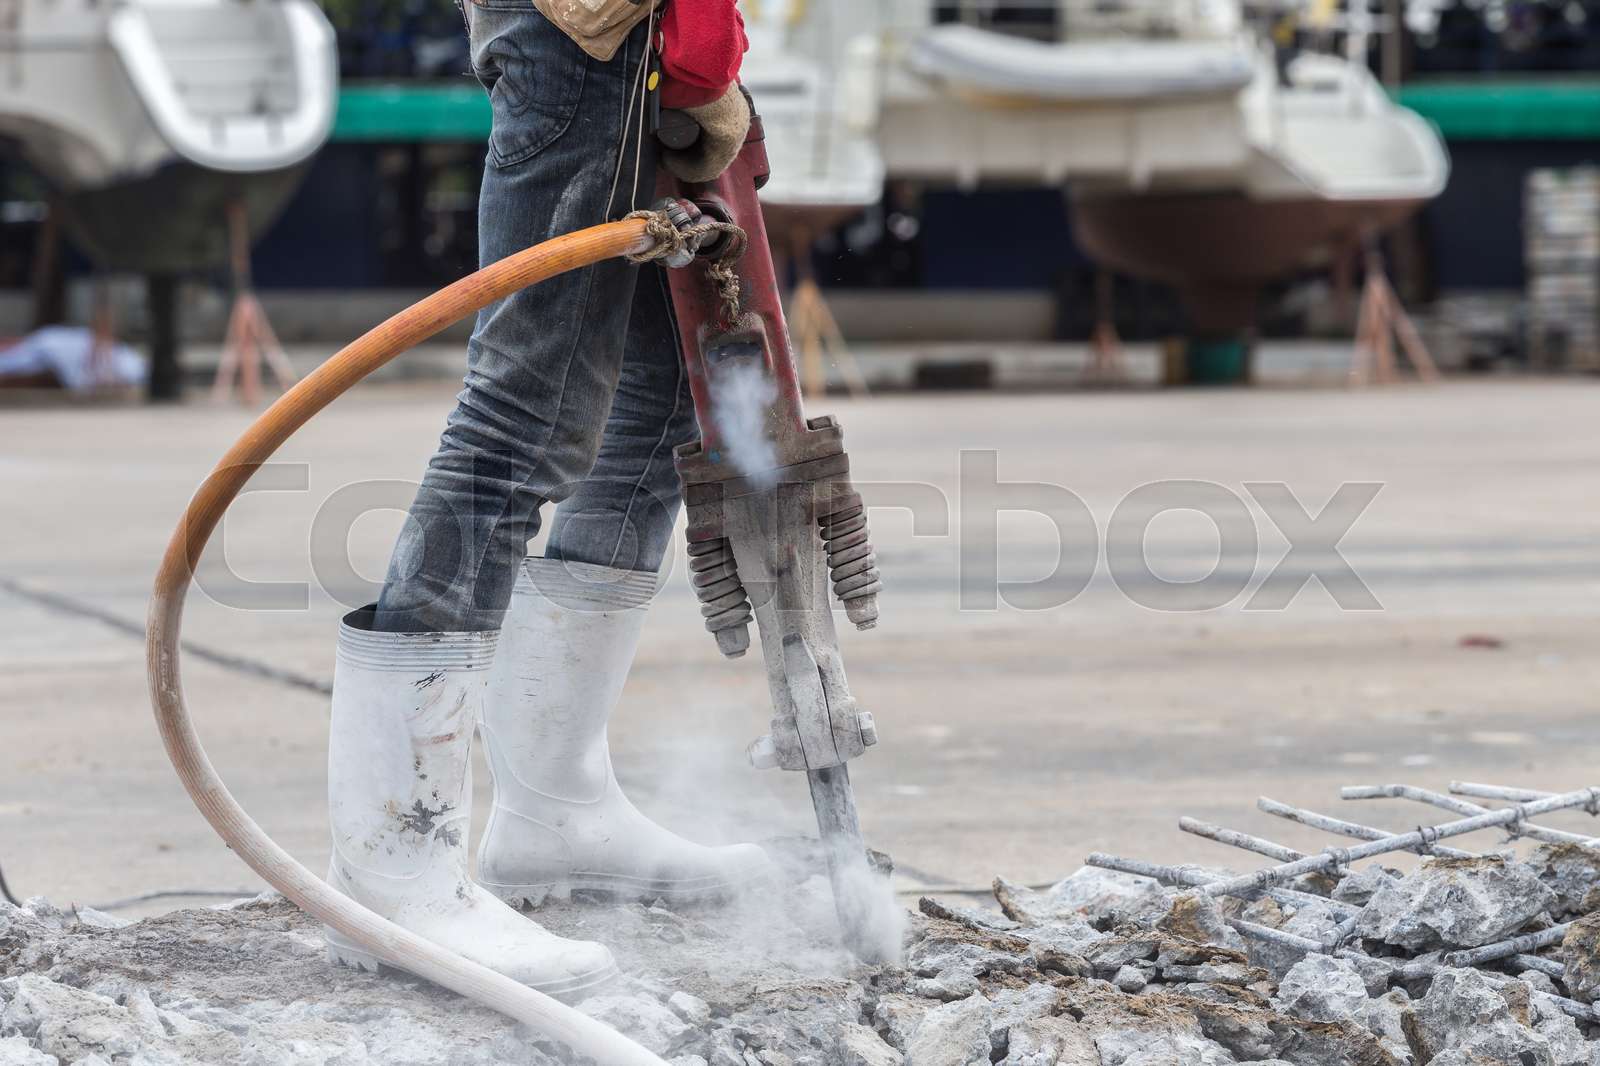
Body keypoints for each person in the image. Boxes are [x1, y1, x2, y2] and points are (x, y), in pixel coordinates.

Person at [321, 0, 770, 998]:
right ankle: (393, 867)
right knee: (527, 410)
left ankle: (554, 808)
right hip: (584, 31)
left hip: (626, 39)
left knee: (658, 406)